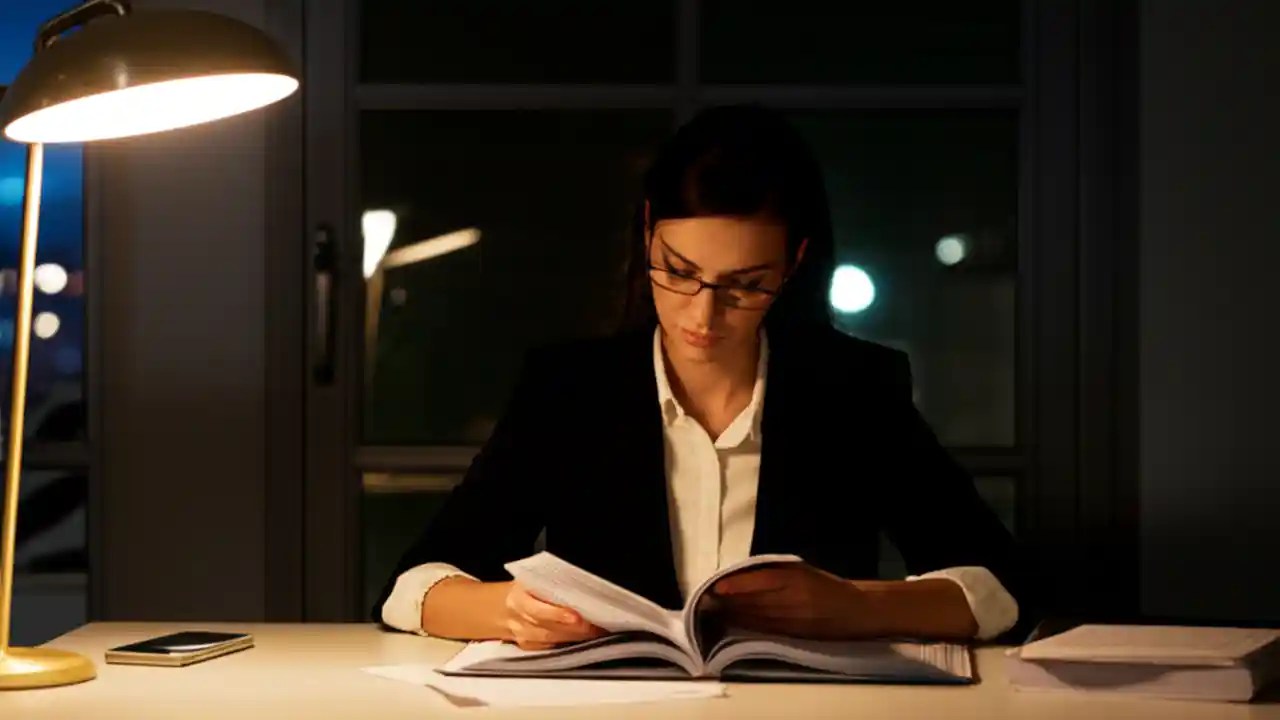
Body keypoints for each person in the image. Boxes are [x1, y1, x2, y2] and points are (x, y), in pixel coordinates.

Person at [374, 105, 1035, 650]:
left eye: (745, 286)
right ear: (646, 235)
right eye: (679, 271)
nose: (703, 313)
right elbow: (414, 584)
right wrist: (509, 610)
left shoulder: (851, 388)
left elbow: (1007, 588)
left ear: (794, 262)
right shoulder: (570, 390)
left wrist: (860, 606)